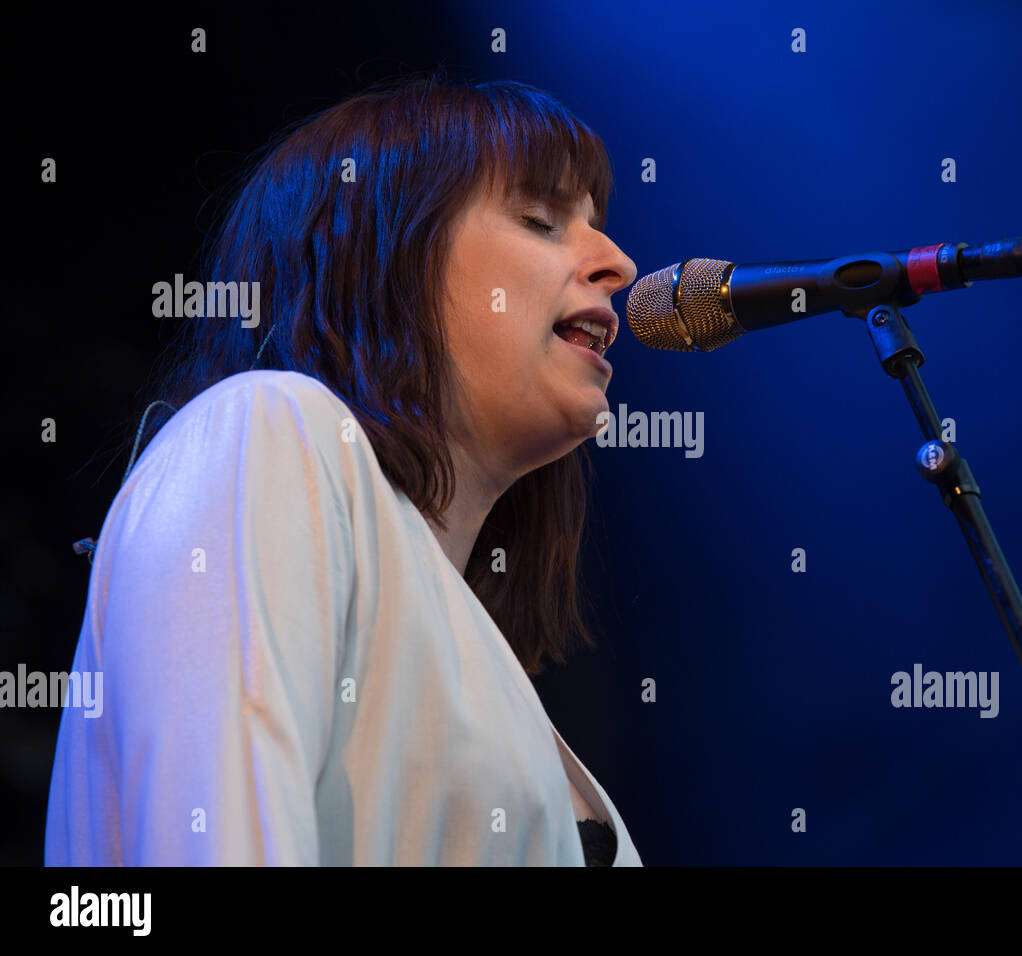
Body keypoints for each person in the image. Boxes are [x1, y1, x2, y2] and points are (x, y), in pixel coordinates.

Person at [44, 73, 641, 866]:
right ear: (385, 260)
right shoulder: (264, 426)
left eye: (596, 223)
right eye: (540, 219)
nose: (620, 263)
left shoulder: (491, 673)